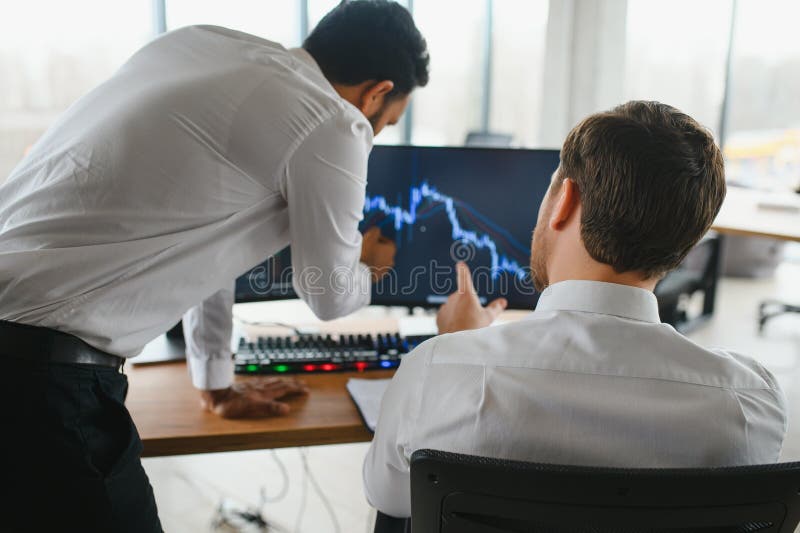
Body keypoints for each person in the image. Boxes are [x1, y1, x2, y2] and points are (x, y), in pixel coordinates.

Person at [0, 1, 428, 531]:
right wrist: (367, 263)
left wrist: (215, 380)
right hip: (39, 380)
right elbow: (329, 293)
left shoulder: (196, 43)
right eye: (385, 123)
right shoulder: (332, 121)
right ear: (377, 92)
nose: (374, 134)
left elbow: (206, 243)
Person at [363, 101, 787, 518]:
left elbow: (390, 497)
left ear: (565, 200)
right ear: (687, 242)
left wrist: (457, 343)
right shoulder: (750, 403)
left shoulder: (440, 370)